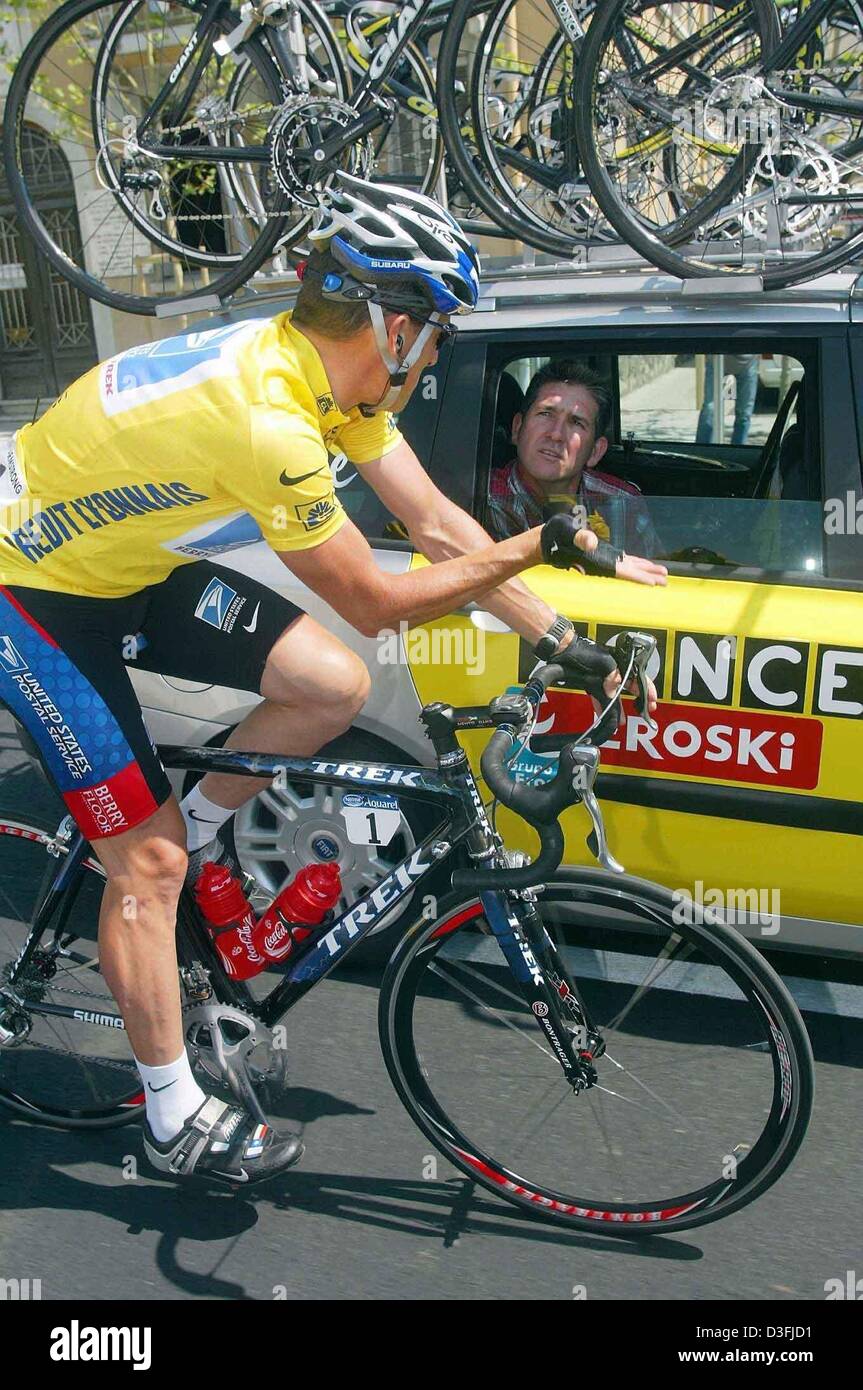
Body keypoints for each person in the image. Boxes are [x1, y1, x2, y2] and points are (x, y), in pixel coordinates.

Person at [0, 175, 666, 1186]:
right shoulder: (268, 423)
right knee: (148, 865)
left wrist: (561, 635)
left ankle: (197, 829)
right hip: (31, 594)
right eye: (437, 332)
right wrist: (540, 541)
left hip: (128, 566)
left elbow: (438, 526)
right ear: (392, 328)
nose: (438, 353)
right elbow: (377, 599)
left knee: (328, 685)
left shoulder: (323, 376)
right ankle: (172, 1118)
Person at [489, 360, 662, 557]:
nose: (556, 434)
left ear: (596, 451)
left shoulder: (623, 504)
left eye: (576, 423)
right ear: (517, 428)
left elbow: (656, 578)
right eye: (546, 413)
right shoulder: (479, 499)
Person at [695, 353, 758, 446]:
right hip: (716, 359)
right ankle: (702, 449)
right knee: (710, 409)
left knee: (744, 413)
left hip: (748, 362)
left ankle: (737, 451)